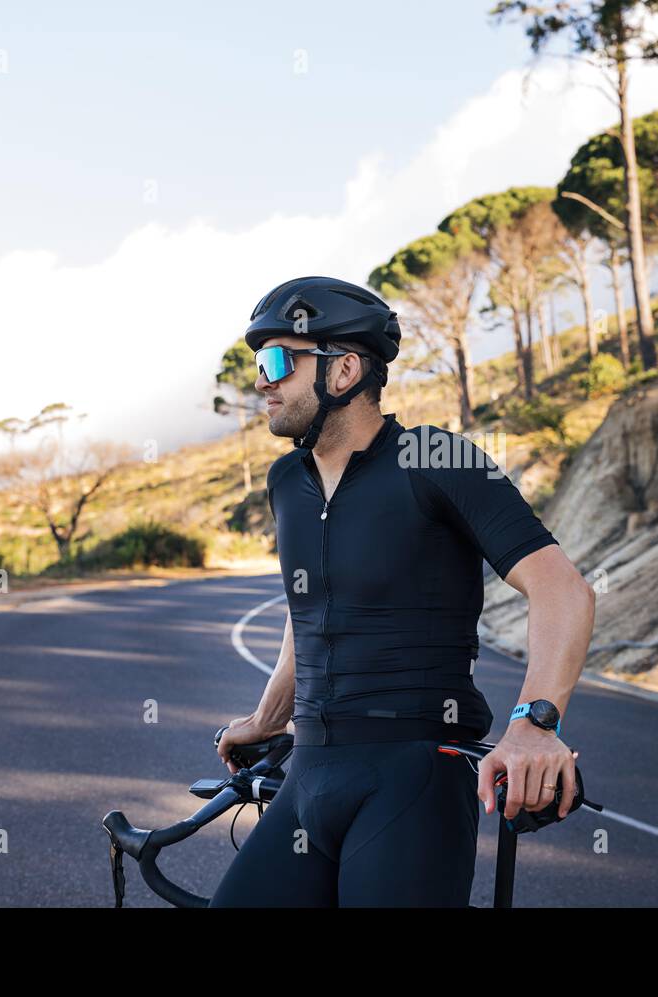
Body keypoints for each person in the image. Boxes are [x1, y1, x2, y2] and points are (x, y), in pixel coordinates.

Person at [208, 276, 595, 907]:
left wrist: (534, 724)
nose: (261, 381)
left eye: (278, 360)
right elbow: (308, 613)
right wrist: (267, 717)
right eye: (258, 363)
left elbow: (562, 590)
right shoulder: (286, 482)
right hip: (311, 772)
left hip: (415, 772)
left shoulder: (435, 458)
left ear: (345, 370)